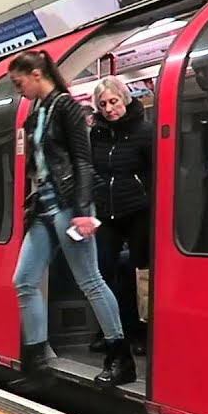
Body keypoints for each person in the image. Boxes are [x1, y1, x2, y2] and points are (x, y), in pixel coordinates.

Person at [6, 50, 126, 391]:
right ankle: (37, 366)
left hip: (68, 206)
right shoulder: (38, 113)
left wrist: (83, 210)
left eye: (19, 83)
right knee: (24, 280)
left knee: (90, 280)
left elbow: (83, 162)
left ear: (36, 74)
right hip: (43, 208)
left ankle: (120, 357)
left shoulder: (67, 108)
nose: (19, 91)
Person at [88, 76, 153, 386]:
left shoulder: (144, 131)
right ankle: (112, 331)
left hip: (138, 211)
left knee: (140, 273)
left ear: (124, 100)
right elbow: (92, 169)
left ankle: (140, 333)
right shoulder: (97, 135)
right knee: (102, 272)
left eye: (113, 102)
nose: (109, 109)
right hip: (106, 215)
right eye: (103, 104)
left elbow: (155, 170)